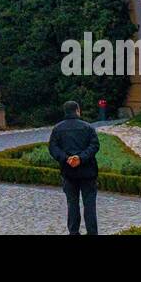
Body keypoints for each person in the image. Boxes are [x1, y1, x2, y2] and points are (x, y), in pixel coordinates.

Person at [48, 99, 100, 235]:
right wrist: (81, 158)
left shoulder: (57, 129)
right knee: (89, 205)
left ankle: (74, 232)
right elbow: (94, 146)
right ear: (78, 110)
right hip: (88, 171)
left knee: (72, 204)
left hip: (68, 172)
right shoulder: (88, 127)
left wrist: (67, 159)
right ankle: (92, 233)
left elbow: (53, 148)